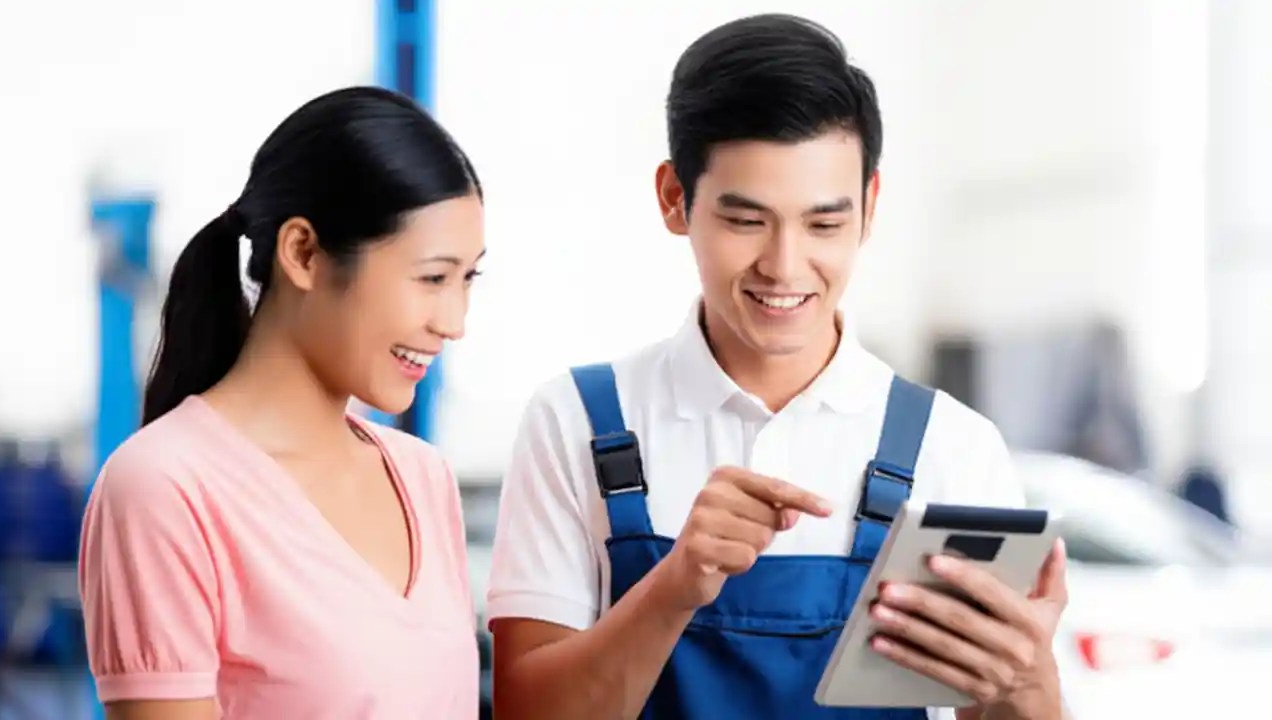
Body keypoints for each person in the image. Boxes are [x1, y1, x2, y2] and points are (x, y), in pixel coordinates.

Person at [488, 14, 1068, 720]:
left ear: (870, 207)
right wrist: (675, 587)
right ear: (675, 198)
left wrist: (1029, 681)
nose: (785, 266)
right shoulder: (576, 423)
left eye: (824, 224)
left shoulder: (955, 448)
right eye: (746, 221)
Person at [78, 86, 485, 719]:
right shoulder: (164, 488)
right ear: (303, 253)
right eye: (432, 278)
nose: (454, 321)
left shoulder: (422, 477)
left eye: (468, 279)